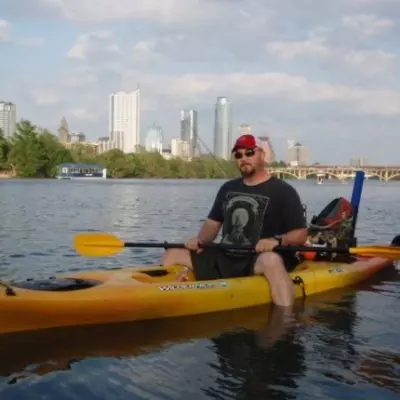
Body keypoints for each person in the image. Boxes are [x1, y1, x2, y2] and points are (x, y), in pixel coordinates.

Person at [161, 134, 308, 307]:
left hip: (257, 258)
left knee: (271, 260)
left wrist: (276, 240)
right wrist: (199, 241)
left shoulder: (284, 191)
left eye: (249, 152)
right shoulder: (227, 188)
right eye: (238, 155)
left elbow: (301, 234)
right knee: (173, 252)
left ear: (262, 154)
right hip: (226, 255)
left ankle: (285, 320)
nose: (243, 158)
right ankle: (161, 299)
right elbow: (212, 224)